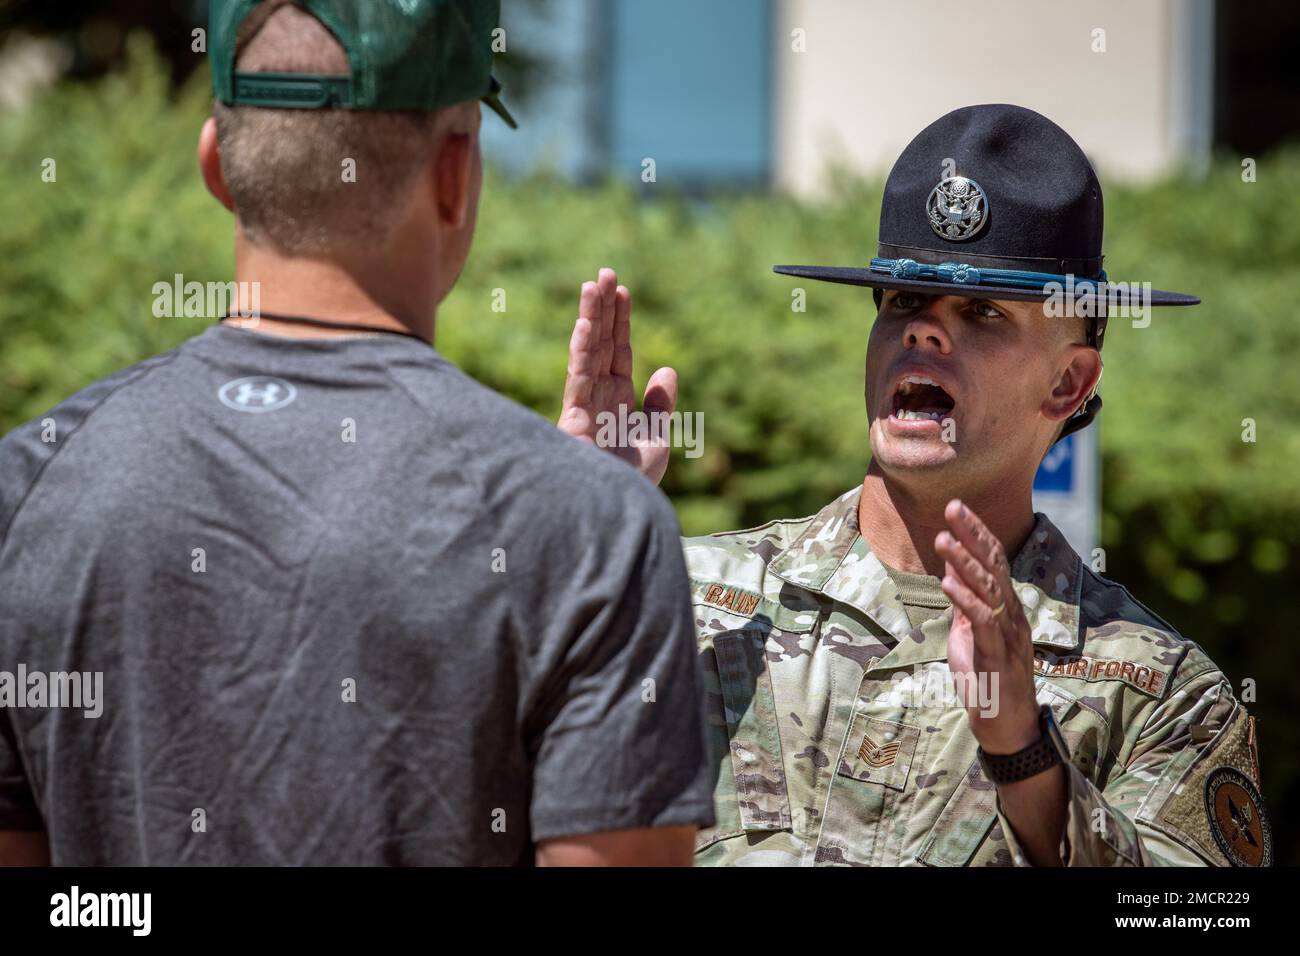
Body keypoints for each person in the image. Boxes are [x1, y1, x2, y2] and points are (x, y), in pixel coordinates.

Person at [0, 0, 713, 866]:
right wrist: (571, 524)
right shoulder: (589, 533)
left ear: (217, 166)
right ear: (455, 177)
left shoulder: (24, 491)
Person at [558, 104, 1271, 867]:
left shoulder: (1162, 690)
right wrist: (571, 553)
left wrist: (1026, 757)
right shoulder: (682, 598)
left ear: (1067, 382)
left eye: (981, 312)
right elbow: (463, 776)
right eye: (902, 301)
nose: (923, 331)